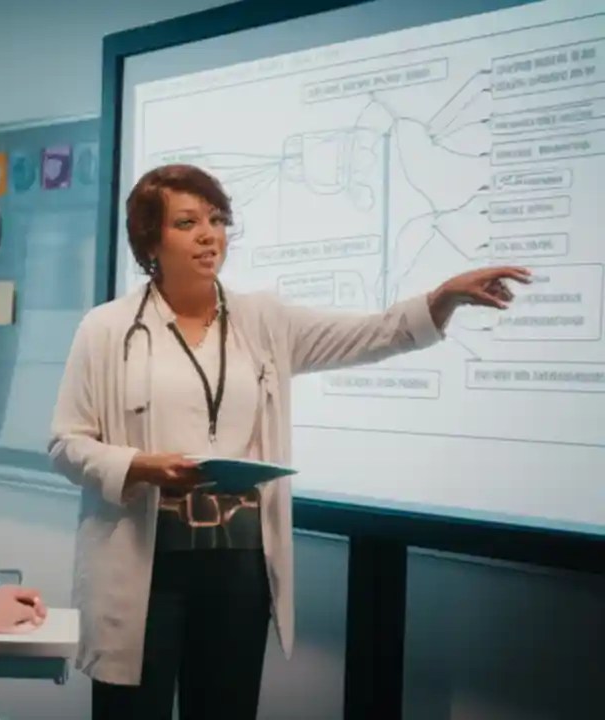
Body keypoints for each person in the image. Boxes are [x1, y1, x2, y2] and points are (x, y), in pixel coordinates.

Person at [48, 163, 531, 719]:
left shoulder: (262, 320)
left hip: (237, 567)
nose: (209, 234)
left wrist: (442, 298)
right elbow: (66, 444)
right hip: (145, 566)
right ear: (150, 240)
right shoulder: (107, 329)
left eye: (217, 219)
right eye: (187, 222)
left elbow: (371, 334)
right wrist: (139, 465)